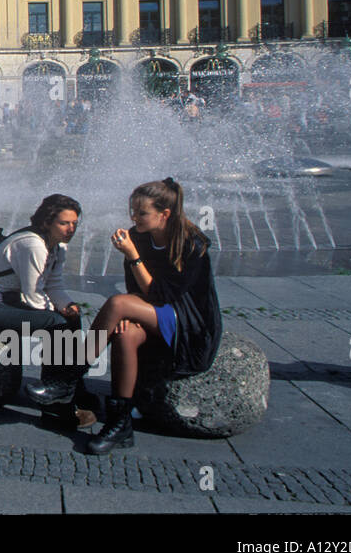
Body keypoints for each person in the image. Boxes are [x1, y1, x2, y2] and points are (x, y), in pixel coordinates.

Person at [27, 178, 222, 455]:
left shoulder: (193, 244)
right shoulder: (139, 235)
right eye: (133, 211)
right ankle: (121, 425)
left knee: (118, 304)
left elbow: (163, 296)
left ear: (164, 214)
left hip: (190, 325)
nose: (134, 217)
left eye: (142, 213)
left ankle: (68, 378)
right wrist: (134, 308)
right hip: (154, 312)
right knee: (124, 333)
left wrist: (133, 255)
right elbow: (137, 290)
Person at [0, 194, 94, 429]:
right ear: (47, 222)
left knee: (70, 318)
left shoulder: (58, 247)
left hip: (9, 301)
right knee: (57, 324)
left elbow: (54, 286)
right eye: (64, 223)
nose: (71, 229)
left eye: (75, 223)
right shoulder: (32, 244)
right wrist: (60, 315)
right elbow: (33, 298)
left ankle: (72, 388)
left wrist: (68, 306)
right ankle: (57, 405)